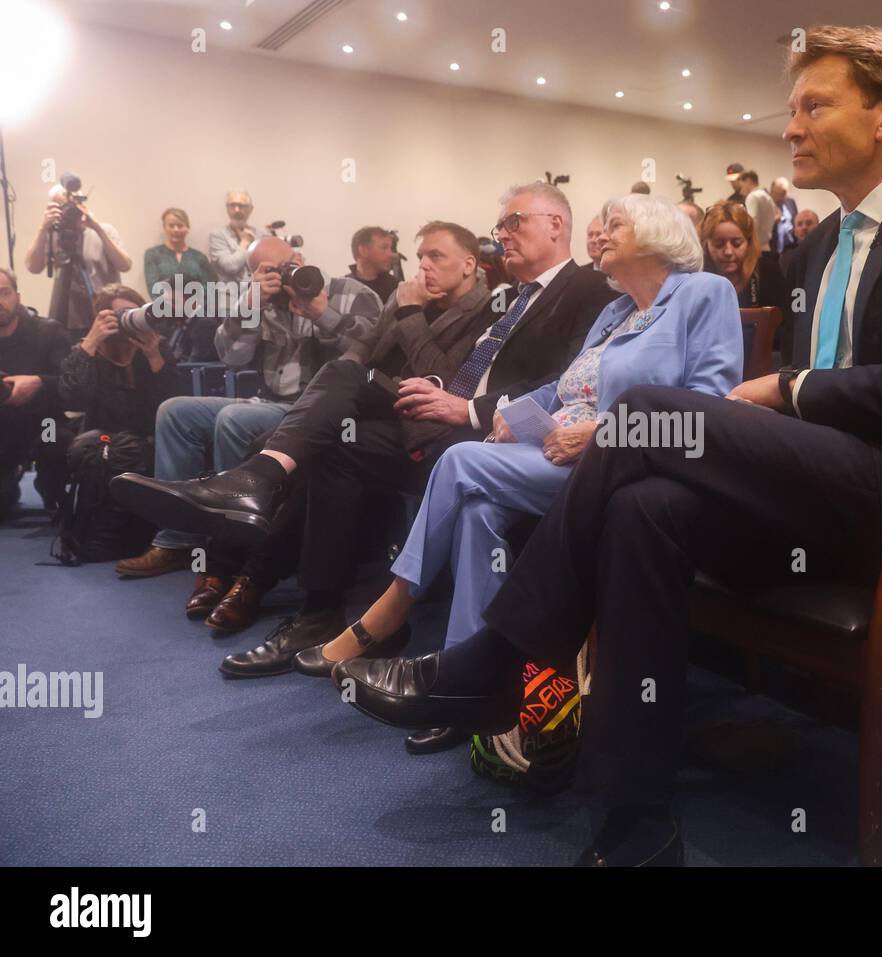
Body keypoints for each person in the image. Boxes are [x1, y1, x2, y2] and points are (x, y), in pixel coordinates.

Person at [335, 24, 882, 866]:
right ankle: (637, 824)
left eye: (815, 105)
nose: (791, 128)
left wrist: (785, 390)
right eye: (792, 108)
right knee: (644, 507)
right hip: (819, 481)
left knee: (650, 412)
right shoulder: (820, 242)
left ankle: (495, 661)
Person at [114, 184, 618, 675]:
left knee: (326, 414)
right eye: (500, 224)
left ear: (555, 225)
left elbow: (566, 378)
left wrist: (464, 406)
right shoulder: (516, 298)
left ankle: (251, 541)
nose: (502, 234)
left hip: (485, 432)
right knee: (338, 407)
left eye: (514, 221)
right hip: (435, 412)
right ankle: (313, 598)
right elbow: (381, 353)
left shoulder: (586, 289)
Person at [296, 195, 742, 709]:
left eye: (616, 224)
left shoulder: (704, 293)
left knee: (461, 461)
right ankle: (468, 681)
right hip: (556, 452)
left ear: (658, 235)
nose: (600, 234)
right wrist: (513, 413)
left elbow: (709, 406)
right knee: (478, 508)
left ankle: (391, 609)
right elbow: (562, 387)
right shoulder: (615, 311)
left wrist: (600, 433)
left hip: (623, 462)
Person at [110, 236, 381, 625]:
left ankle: (230, 557)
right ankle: (176, 541)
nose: (278, 277)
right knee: (175, 411)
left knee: (234, 419)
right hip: (268, 402)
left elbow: (372, 351)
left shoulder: (351, 293)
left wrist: (321, 311)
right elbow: (231, 357)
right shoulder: (255, 299)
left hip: (318, 412)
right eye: (264, 270)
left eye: (284, 266)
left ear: (300, 259)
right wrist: (249, 305)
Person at [58, 284, 183, 450]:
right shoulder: (88, 352)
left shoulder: (156, 347)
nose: (130, 318)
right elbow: (73, 399)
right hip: (101, 443)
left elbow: (173, 403)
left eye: (134, 312)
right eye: (123, 313)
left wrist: (154, 357)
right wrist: (91, 342)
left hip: (149, 437)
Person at [0, 267, 71, 517]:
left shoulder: (49, 331)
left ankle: (50, 487)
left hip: (45, 420)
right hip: (3, 425)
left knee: (54, 440)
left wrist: (39, 382)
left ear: (17, 296)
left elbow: (70, 384)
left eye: (4, 293)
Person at [23, 184, 132, 334]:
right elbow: (33, 267)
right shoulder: (53, 234)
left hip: (106, 313)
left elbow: (125, 265)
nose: (68, 211)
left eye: (72, 205)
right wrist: (43, 228)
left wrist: (97, 228)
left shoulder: (105, 230)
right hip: (70, 318)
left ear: (82, 204)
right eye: (62, 206)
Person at [701, 202, 789, 357]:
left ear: (749, 242)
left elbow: (783, 331)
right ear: (705, 245)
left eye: (736, 244)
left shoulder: (768, 271)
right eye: (719, 244)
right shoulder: (696, 278)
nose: (728, 252)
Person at [143, 208, 220, 362]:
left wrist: (193, 306)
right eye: (171, 225)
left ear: (187, 228)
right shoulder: (153, 254)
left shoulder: (198, 257)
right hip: (166, 315)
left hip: (198, 315)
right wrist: (171, 307)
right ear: (164, 227)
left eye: (180, 225)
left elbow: (211, 286)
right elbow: (154, 287)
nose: (176, 230)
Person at [208, 190, 266, 316]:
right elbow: (230, 267)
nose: (237, 209)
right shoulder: (217, 235)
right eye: (232, 205)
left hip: (259, 300)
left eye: (242, 206)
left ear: (251, 209)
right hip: (230, 301)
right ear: (227, 209)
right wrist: (245, 243)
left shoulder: (263, 235)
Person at [348, 226, 399, 303]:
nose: (390, 254)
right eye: (384, 248)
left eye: (390, 248)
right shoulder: (342, 288)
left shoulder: (397, 289)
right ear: (363, 251)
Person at [735, 171, 779, 254]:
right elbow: (777, 215)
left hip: (756, 248)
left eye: (741, 187)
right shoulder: (767, 197)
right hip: (767, 246)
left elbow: (753, 222)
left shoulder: (752, 196)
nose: (740, 191)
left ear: (748, 181)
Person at [770, 176, 799, 254]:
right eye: (779, 194)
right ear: (772, 191)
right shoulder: (766, 205)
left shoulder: (791, 202)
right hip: (774, 250)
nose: (782, 198)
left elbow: (795, 222)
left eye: (784, 194)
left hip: (791, 248)